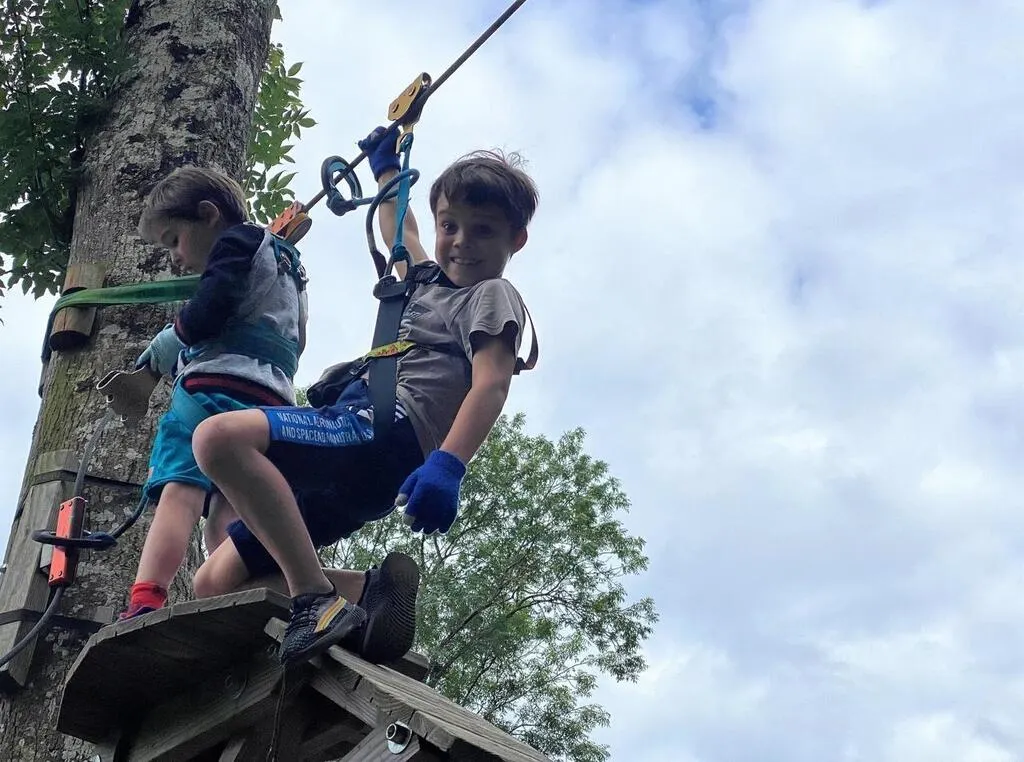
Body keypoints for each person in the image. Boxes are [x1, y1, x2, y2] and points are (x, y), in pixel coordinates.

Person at [189, 124, 539, 667]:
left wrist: (449, 464)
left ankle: (316, 600)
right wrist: (387, 171)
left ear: (515, 240)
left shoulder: (491, 296)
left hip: (382, 434)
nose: (462, 243)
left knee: (219, 439)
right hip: (355, 456)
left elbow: (491, 382)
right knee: (214, 581)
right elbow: (401, 229)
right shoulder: (422, 277)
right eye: (452, 226)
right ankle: (367, 592)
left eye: (484, 231)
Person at [119, 166, 308, 620]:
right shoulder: (289, 264)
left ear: (207, 215)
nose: (176, 259)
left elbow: (214, 302)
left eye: (173, 240)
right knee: (231, 513)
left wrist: (177, 337)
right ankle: (235, 598)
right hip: (273, 404)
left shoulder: (236, 242)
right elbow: (293, 338)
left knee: (180, 490)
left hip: (213, 391)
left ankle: (145, 599)